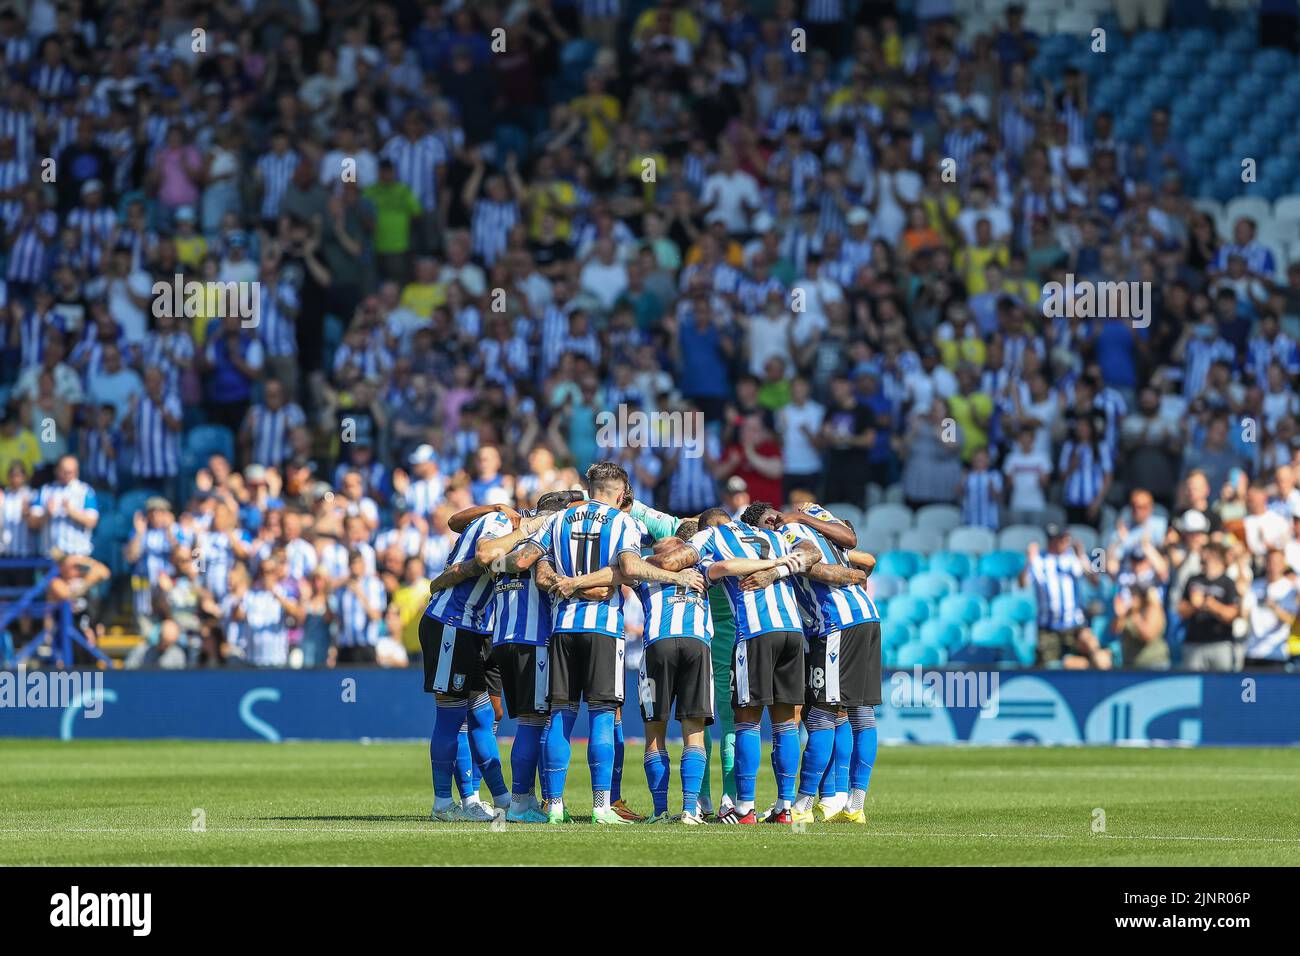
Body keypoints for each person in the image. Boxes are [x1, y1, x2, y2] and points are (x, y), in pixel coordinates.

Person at [502, 461, 702, 825]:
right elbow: (629, 566)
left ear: (589, 486)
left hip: (562, 627)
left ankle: (555, 806)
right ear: (622, 493)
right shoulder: (623, 521)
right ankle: (600, 806)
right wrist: (677, 577)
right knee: (602, 715)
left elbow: (526, 560)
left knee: (560, 716)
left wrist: (563, 583)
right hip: (604, 629)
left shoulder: (559, 519)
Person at [1177, 542, 1241, 672]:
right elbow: (1181, 610)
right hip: (1194, 643)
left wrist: (1214, 606)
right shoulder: (1193, 579)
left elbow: (1233, 614)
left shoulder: (1227, 582)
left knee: (1223, 687)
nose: (1203, 558)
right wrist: (1194, 606)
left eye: (1207, 555)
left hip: (1220, 643)